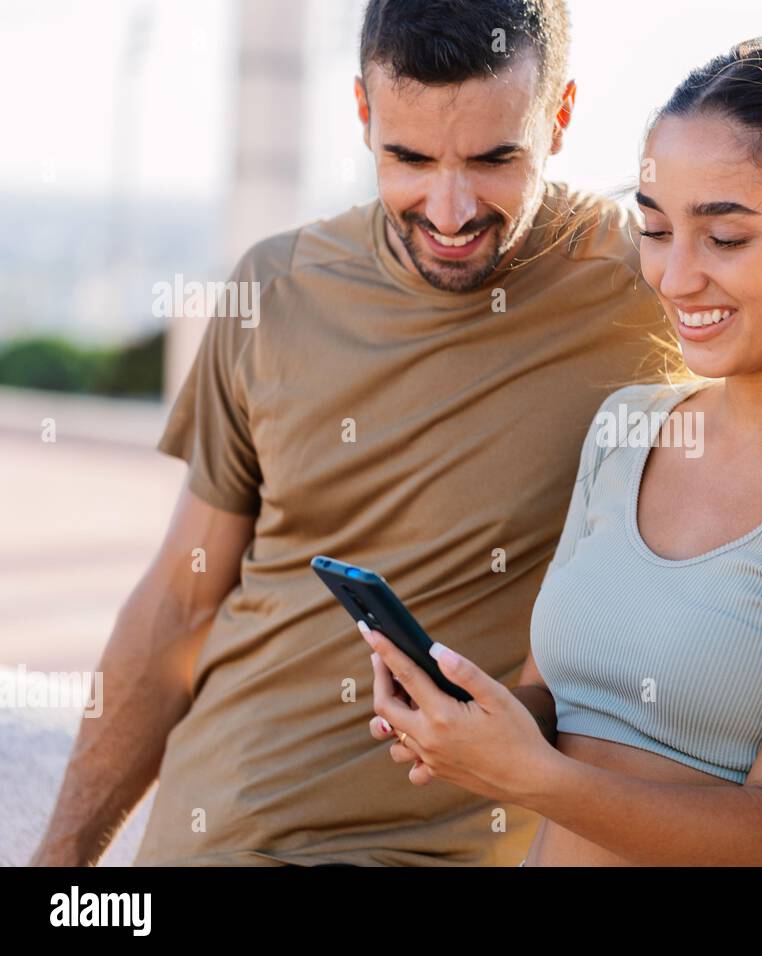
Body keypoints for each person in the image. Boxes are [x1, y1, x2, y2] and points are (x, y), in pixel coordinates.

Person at [31, 0, 667, 867]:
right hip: (216, 836)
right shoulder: (275, 288)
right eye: (409, 158)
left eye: (495, 159)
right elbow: (181, 597)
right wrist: (61, 863)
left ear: (559, 118)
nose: (450, 210)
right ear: (363, 114)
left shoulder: (652, 285)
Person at [362, 36, 762, 866]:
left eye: (724, 238)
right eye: (656, 229)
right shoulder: (627, 427)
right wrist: (470, 719)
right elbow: (558, 701)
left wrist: (529, 776)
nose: (674, 275)